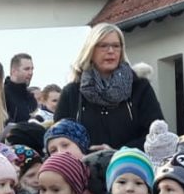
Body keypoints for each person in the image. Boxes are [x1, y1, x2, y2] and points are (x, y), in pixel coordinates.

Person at [55, 23, 164, 152]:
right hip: (84, 163)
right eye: (103, 46)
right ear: (90, 50)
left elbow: (157, 134)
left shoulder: (140, 87)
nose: (111, 51)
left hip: (132, 162)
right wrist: (88, 154)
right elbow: (59, 140)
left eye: (116, 46)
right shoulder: (71, 93)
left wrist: (118, 152)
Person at [5, 54, 37, 124]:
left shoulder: (31, 98)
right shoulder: (2, 94)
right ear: (14, 71)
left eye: (32, 69)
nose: (31, 73)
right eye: (27, 69)